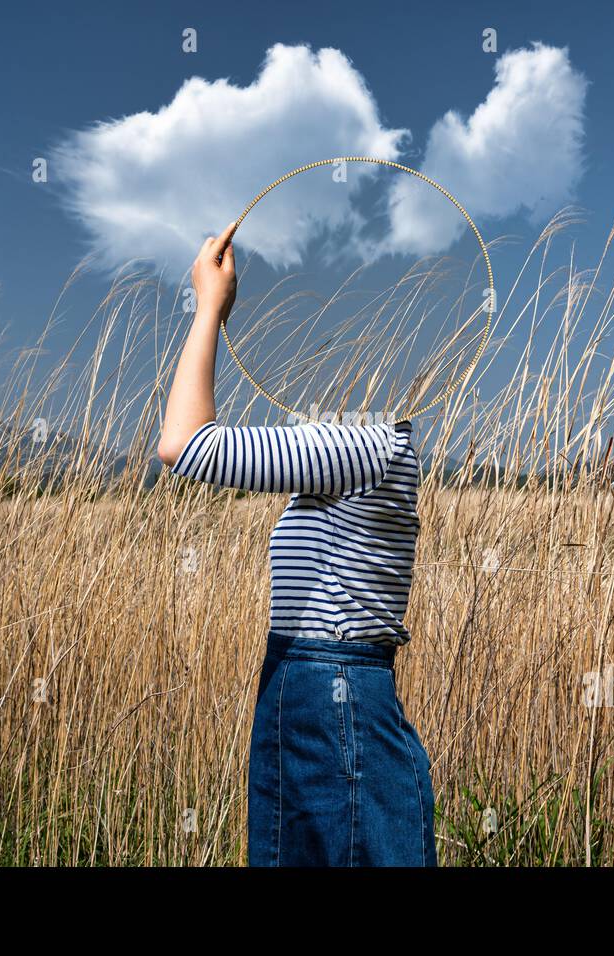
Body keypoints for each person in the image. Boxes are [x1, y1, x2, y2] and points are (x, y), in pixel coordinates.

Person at [157, 221, 437, 867]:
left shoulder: (366, 444)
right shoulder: (365, 451)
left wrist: (209, 306)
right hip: (320, 688)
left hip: (328, 690)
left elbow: (184, 444)